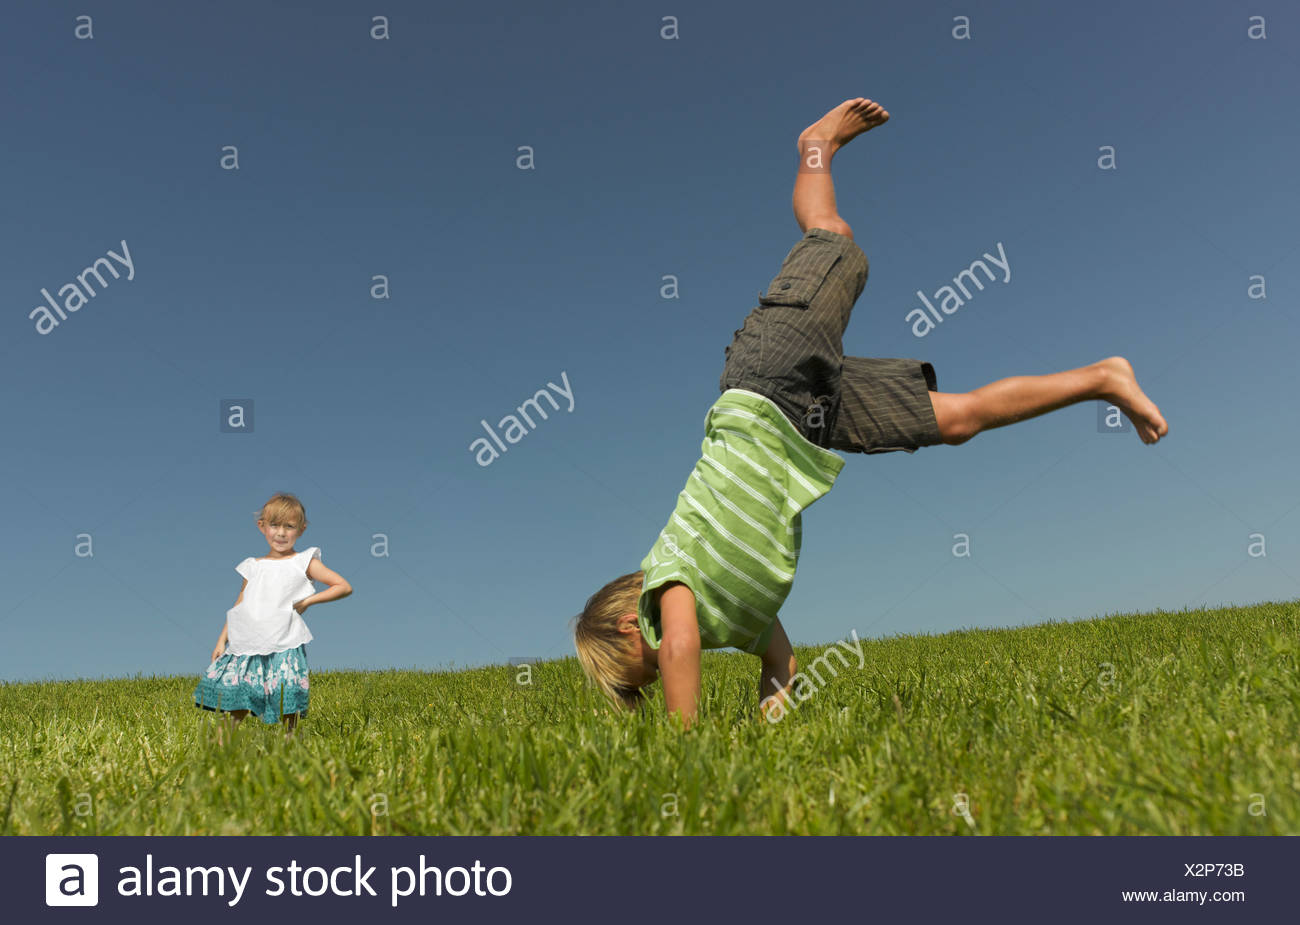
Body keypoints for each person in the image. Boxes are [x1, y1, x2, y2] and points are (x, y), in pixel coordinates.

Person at [572, 98, 1168, 729]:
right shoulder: (738, 615)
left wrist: (685, 748)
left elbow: (683, 647)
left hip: (763, 382)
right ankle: (1103, 378)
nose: (662, 671)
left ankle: (815, 144)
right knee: (957, 420)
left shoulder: (673, 585)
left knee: (833, 239)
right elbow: (781, 663)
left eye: (646, 669)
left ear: (629, 623)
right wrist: (767, 731)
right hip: (811, 423)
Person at [193, 492, 352, 740]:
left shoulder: (303, 561)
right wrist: (222, 639)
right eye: (274, 525)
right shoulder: (253, 566)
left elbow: (342, 586)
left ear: (301, 529)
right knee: (238, 697)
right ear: (262, 527)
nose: (281, 533)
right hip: (247, 642)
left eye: (289, 527)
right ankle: (222, 747)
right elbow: (240, 603)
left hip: (284, 641)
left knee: (288, 695)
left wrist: (307, 601)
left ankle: (291, 745)